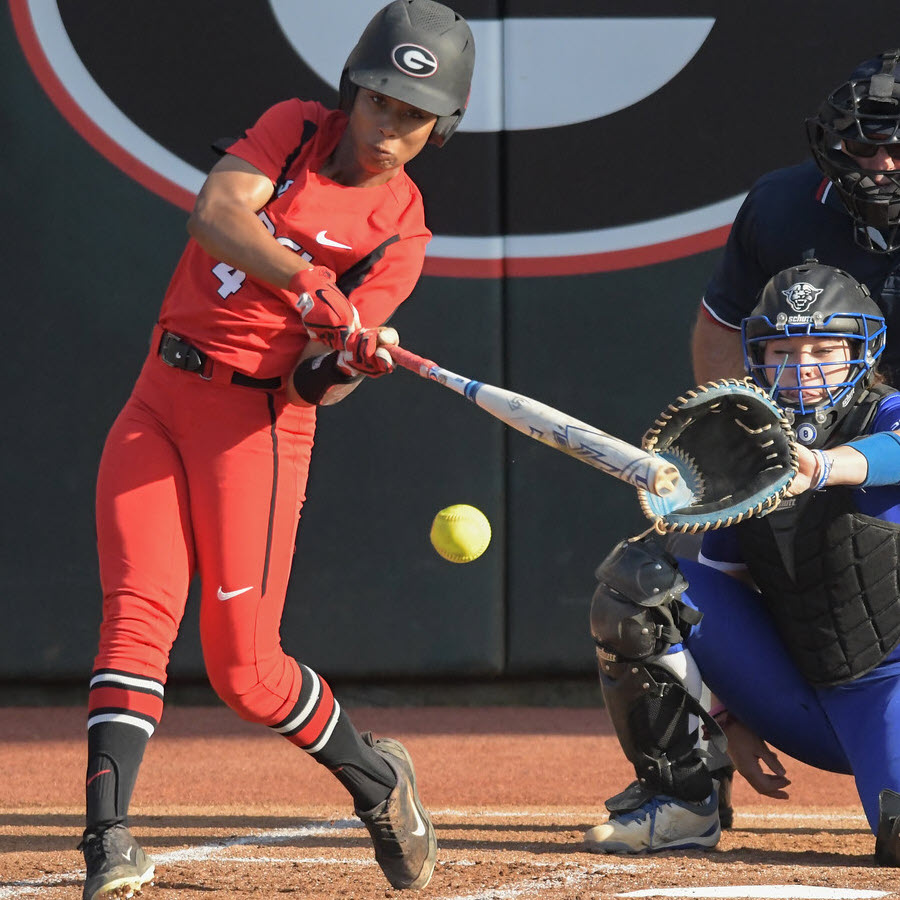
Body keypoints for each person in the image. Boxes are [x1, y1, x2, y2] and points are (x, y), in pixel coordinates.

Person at [77, 3, 475, 898]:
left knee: (245, 674)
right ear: (354, 92)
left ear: (438, 127)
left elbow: (311, 390)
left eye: (414, 114)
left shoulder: (400, 236)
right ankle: (108, 840)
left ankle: (377, 780)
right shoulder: (294, 130)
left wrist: (347, 357)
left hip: (254, 428)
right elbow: (216, 213)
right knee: (136, 613)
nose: (388, 127)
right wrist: (309, 286)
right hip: (160, 391)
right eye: (380, 101)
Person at [584, 261, 900, 866]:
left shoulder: (885, 415)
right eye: (783, 350)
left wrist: (820, 468)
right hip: (802, 691)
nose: (801, 368)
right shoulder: (748, 447)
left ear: (863, 353)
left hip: (886, 694)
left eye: (822, 349)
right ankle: (682, 801)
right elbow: (718, 593)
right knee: (641, 583)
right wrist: (728, 722)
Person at [692, 49, 900, 387]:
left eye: (899, 149)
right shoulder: (781, 205)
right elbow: (725, 325)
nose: (882, 167)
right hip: (818, 423)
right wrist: (730, 427)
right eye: (863, 147)